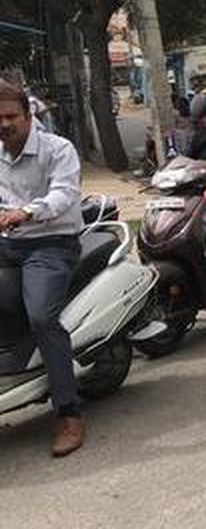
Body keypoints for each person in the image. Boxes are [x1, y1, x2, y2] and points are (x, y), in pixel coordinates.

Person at [0, 80, 86, 457]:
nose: (4, 124)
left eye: (10, 116)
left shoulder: (58, 149)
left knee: (41, 318)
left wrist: (27, 211)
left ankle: (68, 413)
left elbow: (65, 193)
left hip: (51, 244)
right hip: (8, 243)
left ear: (27, 114)